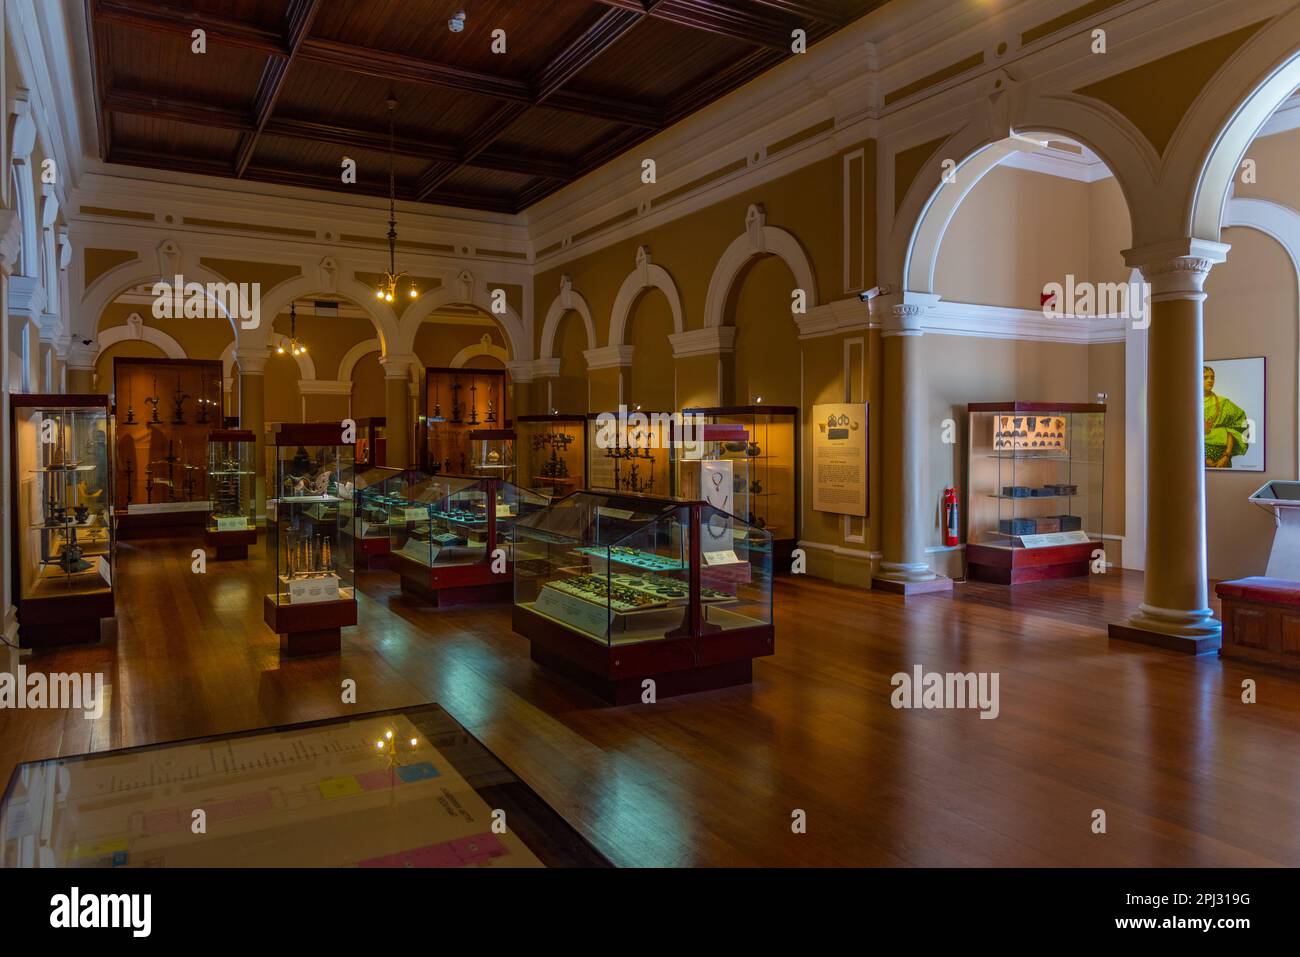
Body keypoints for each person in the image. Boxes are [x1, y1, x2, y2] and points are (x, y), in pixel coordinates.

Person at [1204, 365, 1249, 468]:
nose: (1210, 380)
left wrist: (1226, 456)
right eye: (1205, 377)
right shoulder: (1186, 404)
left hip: (1222, 457)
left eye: (1212, 377)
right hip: (1195, 458)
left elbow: (1235, 428)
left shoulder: (1223, 403)